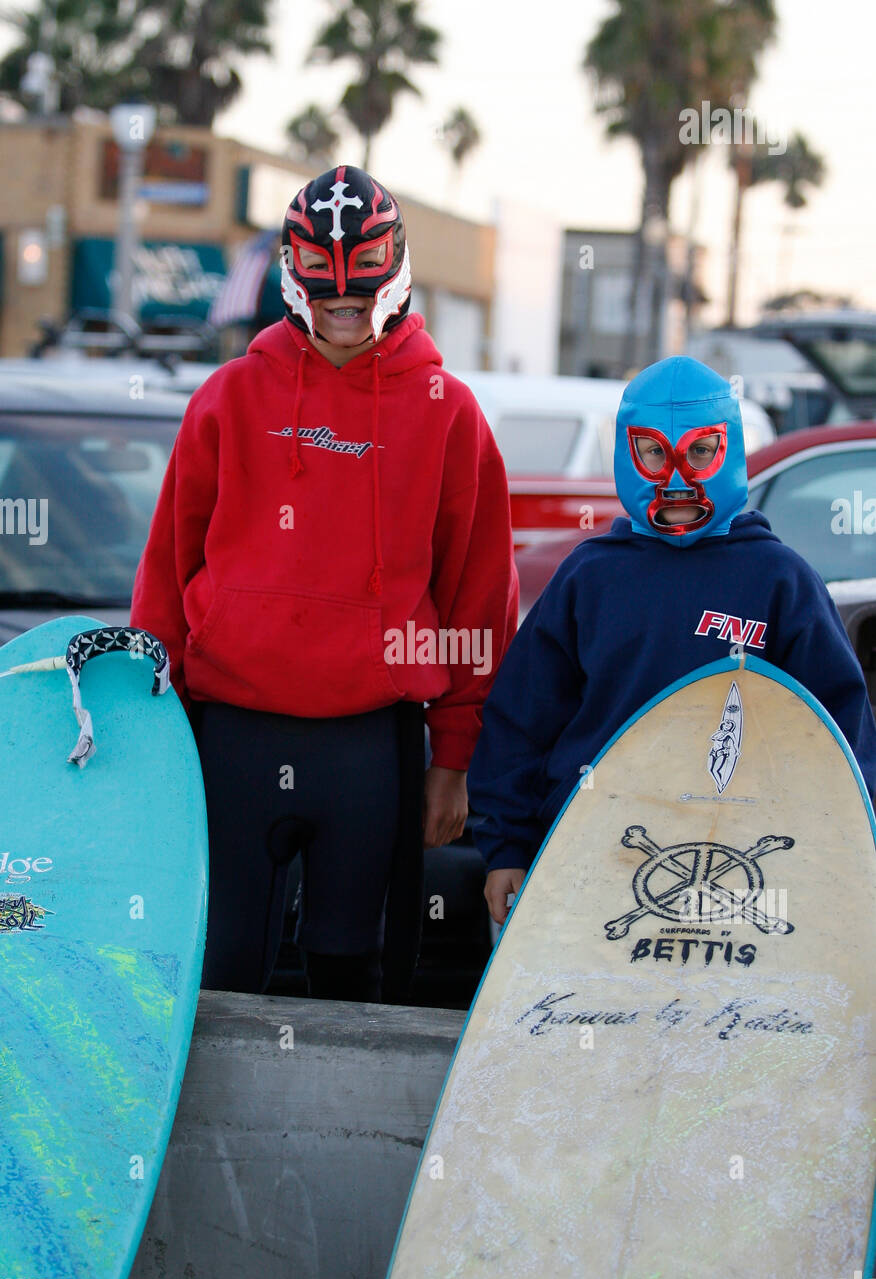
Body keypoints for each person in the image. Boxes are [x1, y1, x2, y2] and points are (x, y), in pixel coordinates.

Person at [130, 165, 518, 1001]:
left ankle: (338, 1137)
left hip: (367, 743)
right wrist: (147, 719)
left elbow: (477, 599)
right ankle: (204, 1136)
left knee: (352, 968)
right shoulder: (230, 395)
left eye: (359, 291)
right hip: (230, 732)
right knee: (220, 965)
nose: (345, 307)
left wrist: (454, 755)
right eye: (327, 292)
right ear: (293, 277)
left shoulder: (448, 409)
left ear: (396, 269)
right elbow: (166, 572)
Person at [468, 355, 876, 924]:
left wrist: (845, 854)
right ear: (627, 450)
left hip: (739, 865)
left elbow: (839, 730)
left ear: (728, 449)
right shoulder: (590, 577)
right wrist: (507, 845)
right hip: (587, 850)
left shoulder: (781, 580)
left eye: (701, 452)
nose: (677, 477)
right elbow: (522, 720)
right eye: (654, 453)